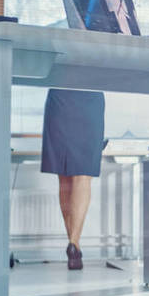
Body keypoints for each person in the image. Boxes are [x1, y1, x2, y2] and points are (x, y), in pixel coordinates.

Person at [41, 88, 107, 270]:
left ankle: (74, 244)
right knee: (82, 176)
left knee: (64, 177)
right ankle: (74, 243)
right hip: (89, 100)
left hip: (60, 99)